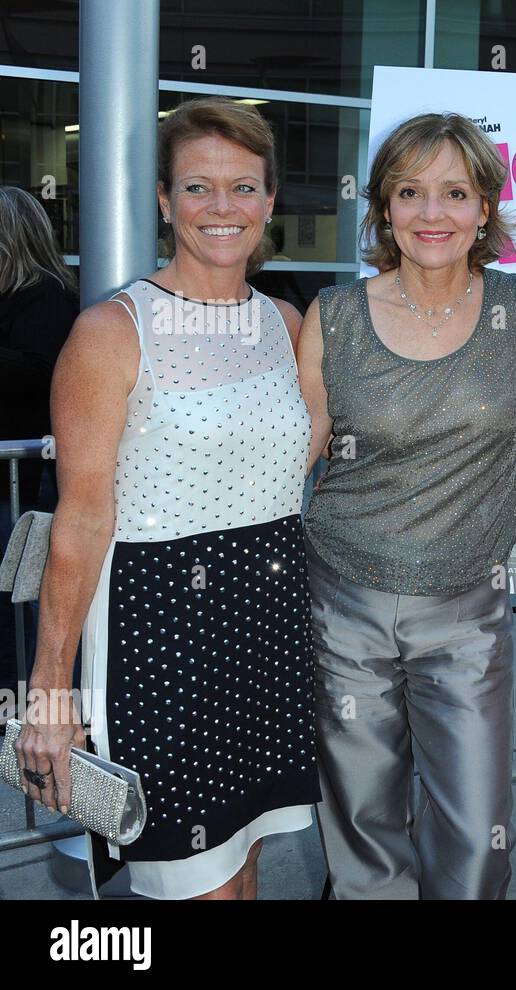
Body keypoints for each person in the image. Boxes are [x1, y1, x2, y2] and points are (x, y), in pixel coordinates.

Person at [15, 96, 321, 899]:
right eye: (197, 187)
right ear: (163, 201)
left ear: (269, 200)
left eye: (243, 187)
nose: (223, 208)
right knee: (197, 884)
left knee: (247, 861)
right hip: (160, 634)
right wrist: (50, 692)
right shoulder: (112, 333)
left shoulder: (286, 323)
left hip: (270, 629)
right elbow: (79, 519)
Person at [296, 112, 516, 899]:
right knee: (364, 828)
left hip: (468, 605)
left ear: (485, 208)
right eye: (410, 192)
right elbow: (290, 460)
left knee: (477, 835)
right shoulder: (333, 317)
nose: (431, 213)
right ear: (383, 208)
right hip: (342, 597)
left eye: (454, 193)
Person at [0, 187, 80, 690]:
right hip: (16, 478)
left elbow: (39, 372)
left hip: (24, 483)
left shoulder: (47, 296)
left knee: (13, 609)